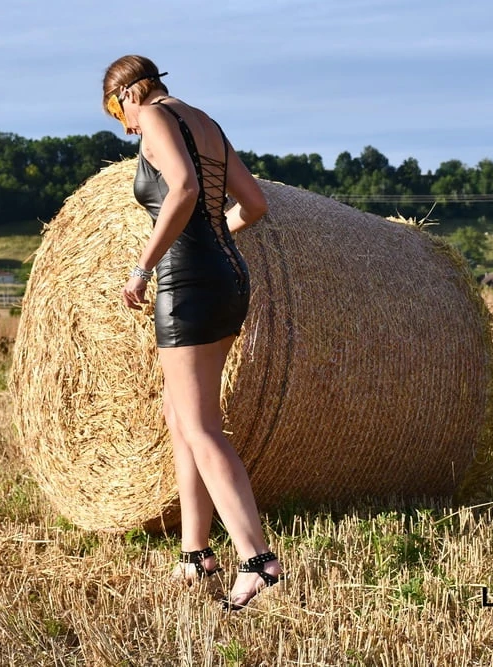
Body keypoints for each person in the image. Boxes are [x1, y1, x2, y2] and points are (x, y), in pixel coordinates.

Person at [102, 55, 284, 611]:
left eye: (115, 111)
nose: (123, 124)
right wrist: (212, 235)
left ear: (130, 93)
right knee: (180, 415)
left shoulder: (155, 117)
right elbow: (253, 206)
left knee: (202, 426)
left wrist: (143, 266)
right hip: (228, 274)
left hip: (188, 283)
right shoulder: (206, 121)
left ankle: (258, 562)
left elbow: (180, 187)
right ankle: (195, 551)